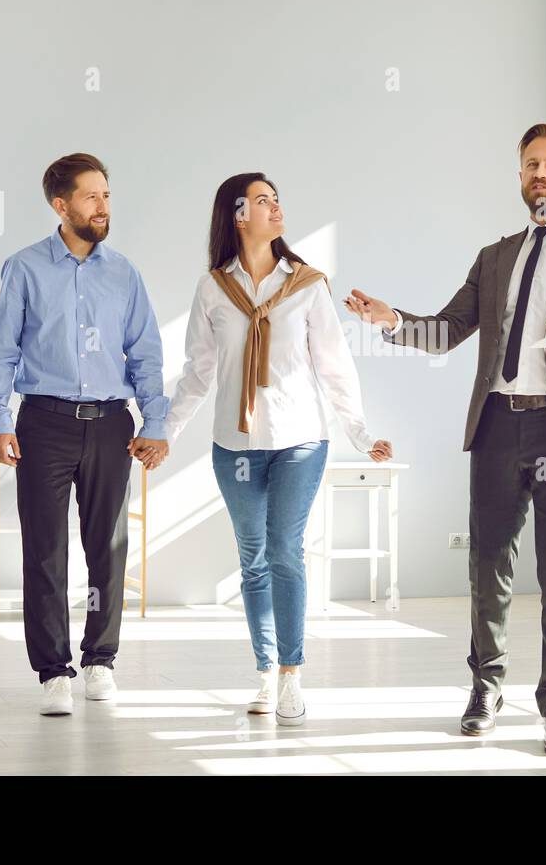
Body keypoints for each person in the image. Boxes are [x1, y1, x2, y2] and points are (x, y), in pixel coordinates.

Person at [344, 124, 546, 755]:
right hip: (497, 422)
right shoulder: (496, 255)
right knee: (488, 566)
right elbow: (450, 329)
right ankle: (486, 687)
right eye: (530, 165)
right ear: (520, 176)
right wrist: (393, 322)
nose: (540, 174)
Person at [164, 172, 391, 726]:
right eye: (263, 201)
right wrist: (163, 434)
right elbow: (198, 372)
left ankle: (292, 673)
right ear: (238, 215)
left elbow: (334, 365)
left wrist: (361, 434)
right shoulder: (213, 287)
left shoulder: (308, 284)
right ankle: (265, 669)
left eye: (277, 199)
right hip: (235, 443)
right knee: (252, 560)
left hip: (300, 440)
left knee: (285, 551)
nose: (276, 207)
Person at [0, 152, 170, 716]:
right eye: (91, 197)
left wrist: (155, 422)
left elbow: (146, 354)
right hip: (43, 421)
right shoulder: (24, 267)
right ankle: (52, 671)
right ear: (61, 206)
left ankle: (99, 660)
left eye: (106, 195)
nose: (103, 206)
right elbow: (1, 352)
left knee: (108, 548)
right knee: (44, 550)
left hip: (112, 424)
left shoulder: (124, 273)